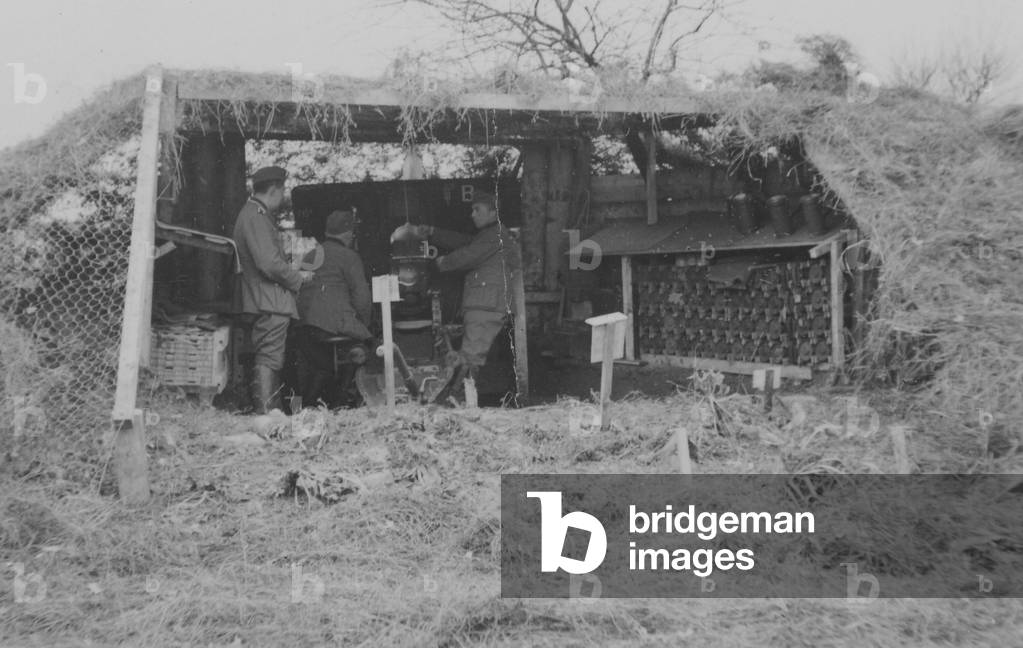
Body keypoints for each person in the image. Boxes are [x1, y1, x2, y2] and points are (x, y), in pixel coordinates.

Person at [391, 189, 522, 401]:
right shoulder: (490, 235)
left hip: (485, 305)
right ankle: (457, 399)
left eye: (477, 210)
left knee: (470, 358)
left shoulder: (495, 236)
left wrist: (439, 263)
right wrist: (433, 232)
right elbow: (466, 242)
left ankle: (456, 401)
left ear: (492, 213)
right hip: (485, 303)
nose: (472, 214)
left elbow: (468, 255)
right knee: (470, 356)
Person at [232, 166, 313, 414]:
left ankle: (272, 410)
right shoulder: (256, 216)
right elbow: (268, 263)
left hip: (265, 298)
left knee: (272, 357)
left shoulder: (255, 214)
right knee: (270, 357)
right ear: (275, 190)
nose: (283, 196)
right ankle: (266, 413)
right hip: (270, 300)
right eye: (282, 190)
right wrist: (298, 277)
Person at [295, 210, 373, 407]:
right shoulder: (349, 256)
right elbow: (362, 298)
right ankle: (344, 401)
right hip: (335, 324)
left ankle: (310, 404)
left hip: (305, 324)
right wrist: (365, 325)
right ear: (348, 234)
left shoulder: (310, 254)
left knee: (321, 364)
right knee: (370, 347)